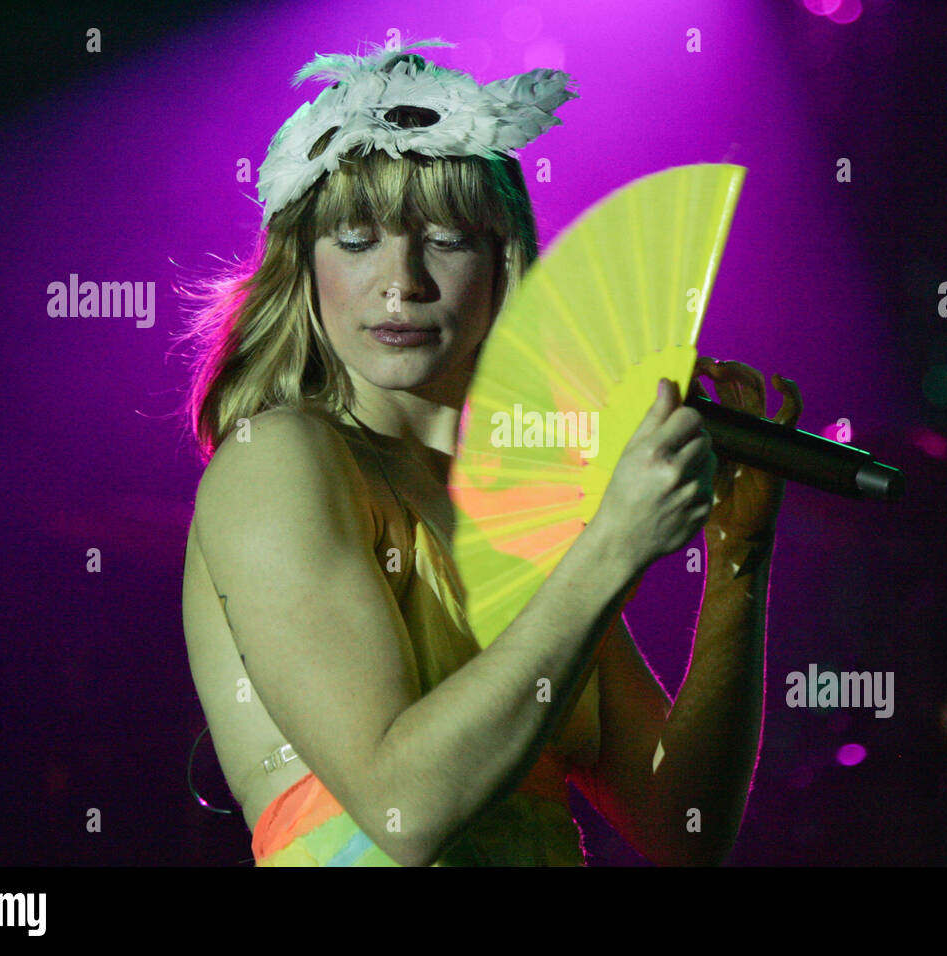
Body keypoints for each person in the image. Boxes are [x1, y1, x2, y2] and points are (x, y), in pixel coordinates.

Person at [179, 38, 802, 866]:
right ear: (303, 268)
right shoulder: (281, 458)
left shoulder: (517, 523)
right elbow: (404, 809)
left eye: (445, 238)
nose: (402, 282)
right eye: (357, 240)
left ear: (505, 262)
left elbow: (684, 826)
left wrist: (737, 562)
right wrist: (613, 543)